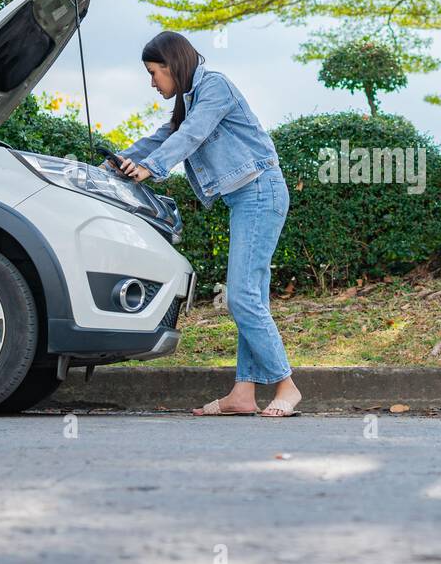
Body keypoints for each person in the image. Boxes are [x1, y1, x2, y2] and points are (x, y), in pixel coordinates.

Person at [111, 31, 301, 417]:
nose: (152, 83)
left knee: (242, 298)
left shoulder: (215, 87)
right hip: (246, 197)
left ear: (171, 64)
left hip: (260, 192)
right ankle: (243, 394)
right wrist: (111, 163)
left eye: (153, 73)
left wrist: (152, 168)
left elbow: (193, 135)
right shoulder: (191, 99)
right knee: (252, 298)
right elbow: (162, 137)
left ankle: (287, 385)